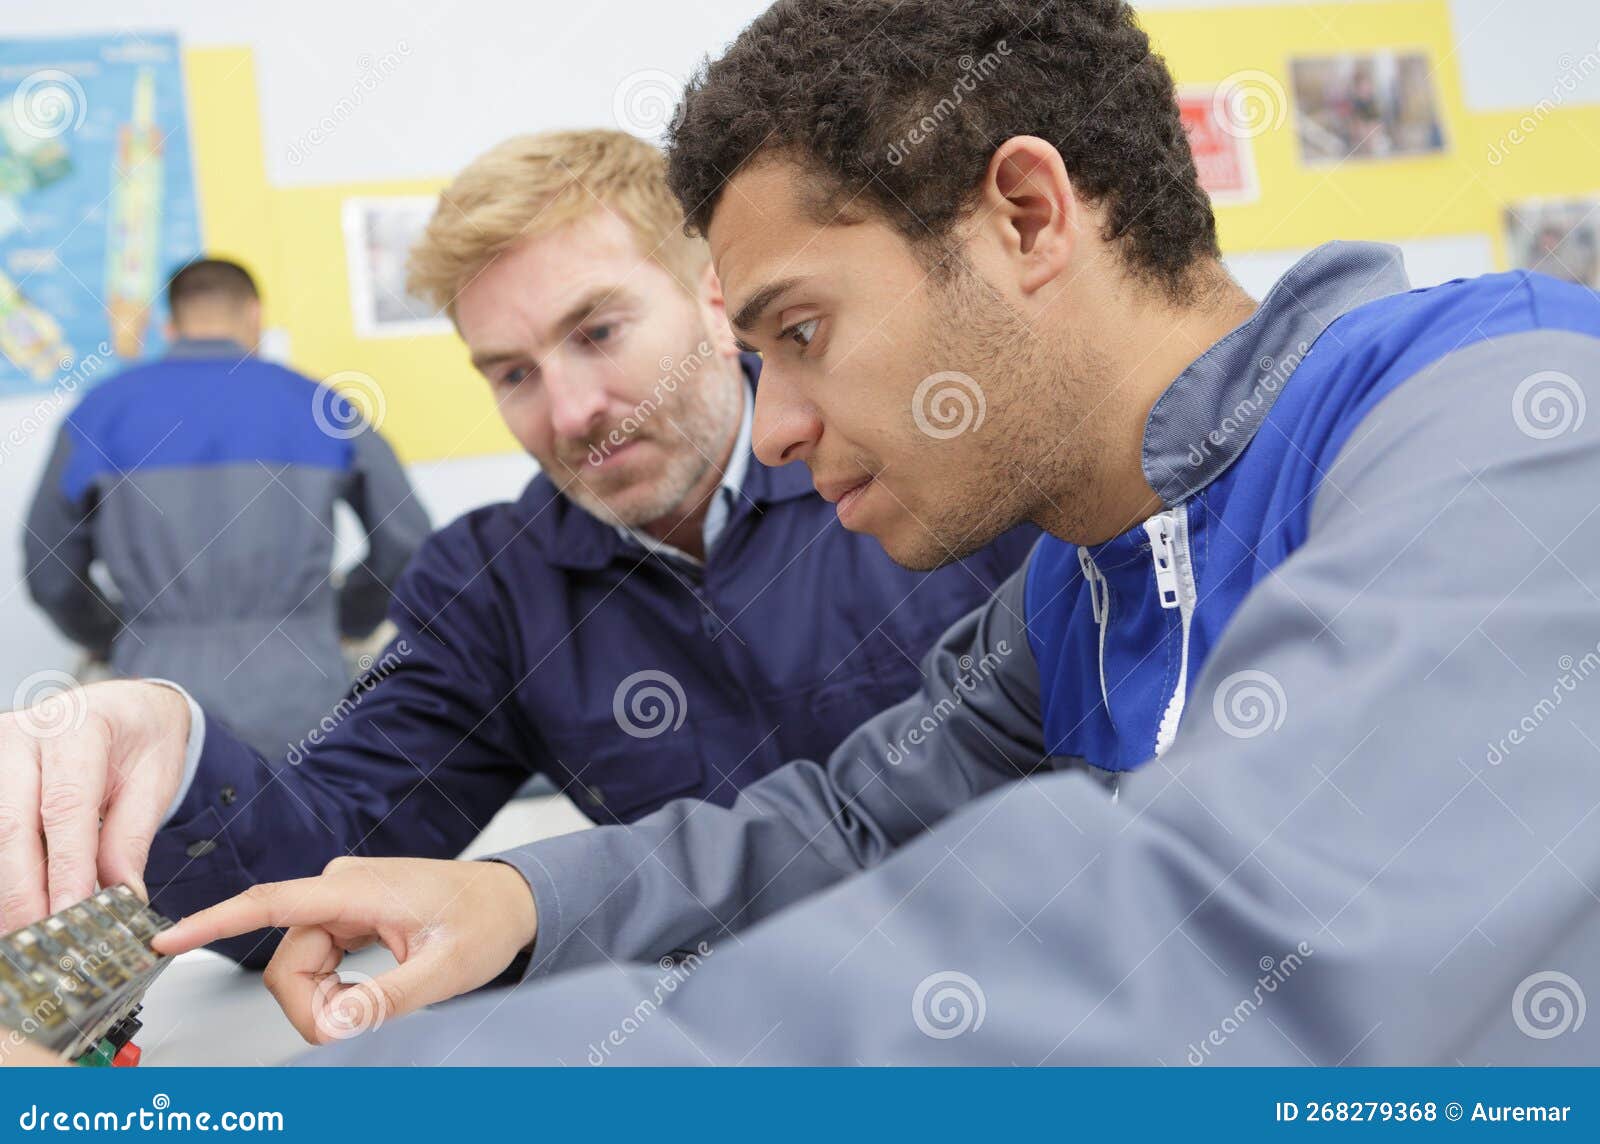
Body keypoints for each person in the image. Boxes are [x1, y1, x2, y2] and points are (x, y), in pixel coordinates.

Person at [153, 0, 1600, 1065]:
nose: (771, 424)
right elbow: (843, 827)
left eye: (797, 330)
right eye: (511, 372)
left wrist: (399, 1098)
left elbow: (1232, 947)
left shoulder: (1501, 410)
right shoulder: (1067, 592)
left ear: (1028, 215)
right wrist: (515, 897)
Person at [0, 130, 1037, 957]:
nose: (572, 410)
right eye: (511, 373)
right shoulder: (492, 588)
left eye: (597, 331)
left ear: (714, 299)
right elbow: (310, 887)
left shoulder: (928, 454)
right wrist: (169, 739)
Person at [22, 258, 429, 758]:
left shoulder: (102, 410)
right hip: (300, 689)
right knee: (308, 830)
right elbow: (407, 539)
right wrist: (346, 618)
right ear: (254, 315)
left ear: (172, 326)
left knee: (169, 833)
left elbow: (48, 569)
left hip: (156, 692)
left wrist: (114, 633)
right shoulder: (317, 403)